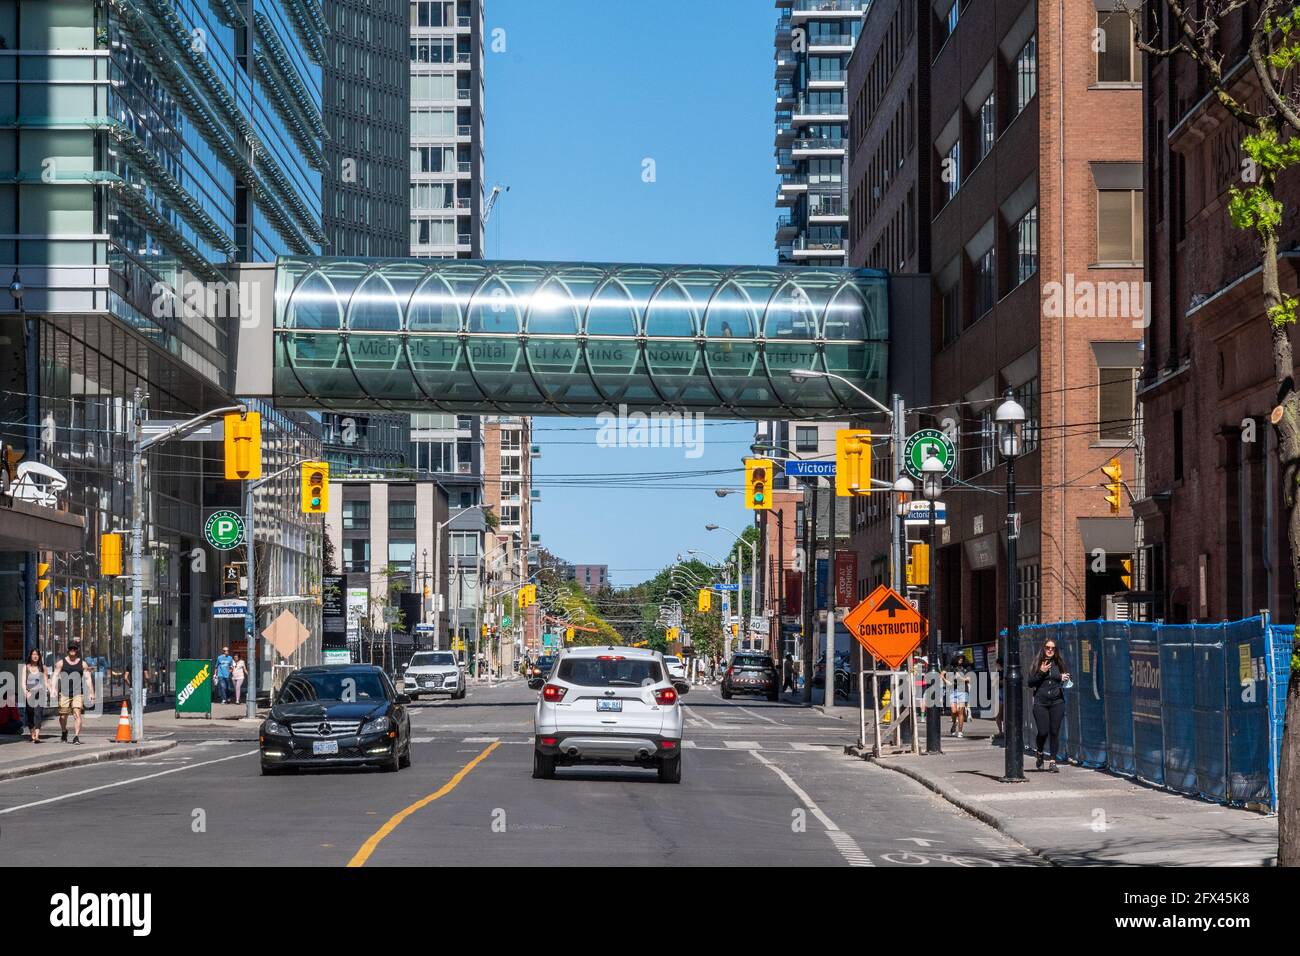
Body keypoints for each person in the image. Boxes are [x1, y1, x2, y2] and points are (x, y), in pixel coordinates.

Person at [1027, 638, 1070, 772]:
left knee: (1054, 731)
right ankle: (1039, 752)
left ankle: (1052, 761)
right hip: (1041, 702)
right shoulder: (1037, 663)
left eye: (1053, 648)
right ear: (1043, 648)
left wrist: (1064, 678)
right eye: (1048, 647)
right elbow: (1030, 682)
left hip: (1057, 701)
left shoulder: (1059, 663)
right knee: (1043, 731)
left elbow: (1064, 678)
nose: (1050, 650)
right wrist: (1041, 672)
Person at [53, 641, 94, 744]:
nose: (72, 650)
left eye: (74, 649)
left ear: (77, 650)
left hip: (77, 693)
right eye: (71, 648)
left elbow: (88, 678)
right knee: (63, 716)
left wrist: (91, 692)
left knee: (77, 713)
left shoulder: (83, 663)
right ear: (68, 650)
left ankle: (76, 736)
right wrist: (53, 688)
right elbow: (55, 675)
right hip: (64, 693)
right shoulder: (61, 663)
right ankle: (64, 731)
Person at [22, 648, 52, 744]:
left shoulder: (43, 668)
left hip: (40, 693)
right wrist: (26, 692)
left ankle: (37, 736)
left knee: (38, 714)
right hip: (29, 693)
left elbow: (46, 681)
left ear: (39, 657)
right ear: (30, 656)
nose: (35, 656)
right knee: (30, 714)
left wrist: (51, 690)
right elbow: (23, 682)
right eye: (33, 654)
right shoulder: (26, 667)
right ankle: (32, 734)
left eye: (37, 655)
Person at [948, 658, 970, 737]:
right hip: (952, 690)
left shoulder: (966, 668)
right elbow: (946, 677)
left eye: (962, 658)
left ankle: (960, 731)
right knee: (954, 711)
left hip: (963, 690)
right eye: (959, 658)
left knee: (960, 711)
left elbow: (968, 679)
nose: (961, 659)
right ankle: (954, 723)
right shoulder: (951, 667)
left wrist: (960, 678)